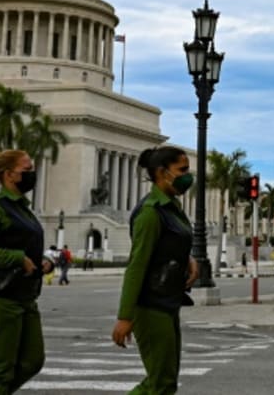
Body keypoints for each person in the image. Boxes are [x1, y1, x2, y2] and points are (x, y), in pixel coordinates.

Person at [111, 146, 199, 394]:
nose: (187, 176)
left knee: (165, 381)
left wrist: (187, 259)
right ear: (162, 172)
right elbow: (137, 265)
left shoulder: (171, 206)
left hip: (168, 301)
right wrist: (125, 316)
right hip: (150, 305)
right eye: (181, 170)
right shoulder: (150, 212)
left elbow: (169, 244)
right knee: (160, 382)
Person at [0, 149, 52, 395]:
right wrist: (17, 258)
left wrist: (43, 260)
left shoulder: (22, 208)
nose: (32, 174)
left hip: (23, 295)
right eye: (26, 170)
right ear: (8, 175)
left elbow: (24, 244)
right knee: (1, 370)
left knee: (32, 361)